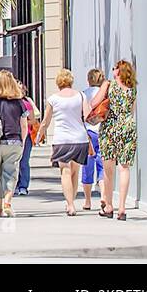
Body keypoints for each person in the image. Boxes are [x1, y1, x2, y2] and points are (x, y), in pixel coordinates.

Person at [39, 69, 91, 216]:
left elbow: (46, 121)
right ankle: (72, 201)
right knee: (75, 171)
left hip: (62, 140)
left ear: (58, 82)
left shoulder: (53, 99)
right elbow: (87, 116)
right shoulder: (81, 96)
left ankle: (70, 204)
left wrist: (40, 134)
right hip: (80, 139)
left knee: (65, 171)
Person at [0, 71, 29, 217]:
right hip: (13, 141)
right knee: (11, 173)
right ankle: (8, 202)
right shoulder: (19, 103)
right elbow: (24, 126)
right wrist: (23, 141)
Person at [94, 59, 137, 220]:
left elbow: (95, 102)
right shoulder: (132, 89)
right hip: (127, 127)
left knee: (108, 169)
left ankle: (109, 206)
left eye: (114, 68)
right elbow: (131, 111)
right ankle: (122, 208)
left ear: (118, 70)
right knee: (124, 168)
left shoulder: (108, 85)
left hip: (110, 127)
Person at [79, 68, 105, 210]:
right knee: (102, 166)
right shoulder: (105, 94)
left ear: (89, 79)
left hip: (88, 132)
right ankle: (103, 197)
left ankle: (88, 201)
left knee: (87, 167)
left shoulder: (83, 94)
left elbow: (81, 115)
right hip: (102, 132)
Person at [15, 82, 39, 196]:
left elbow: (33, 120)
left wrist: (22, 123)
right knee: (14, 162)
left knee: (23, 162)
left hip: (26, 136)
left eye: (21, 89)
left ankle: (23, 186)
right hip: (13, 135)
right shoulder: (10, 103)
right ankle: (14, 185)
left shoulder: (26, 103)